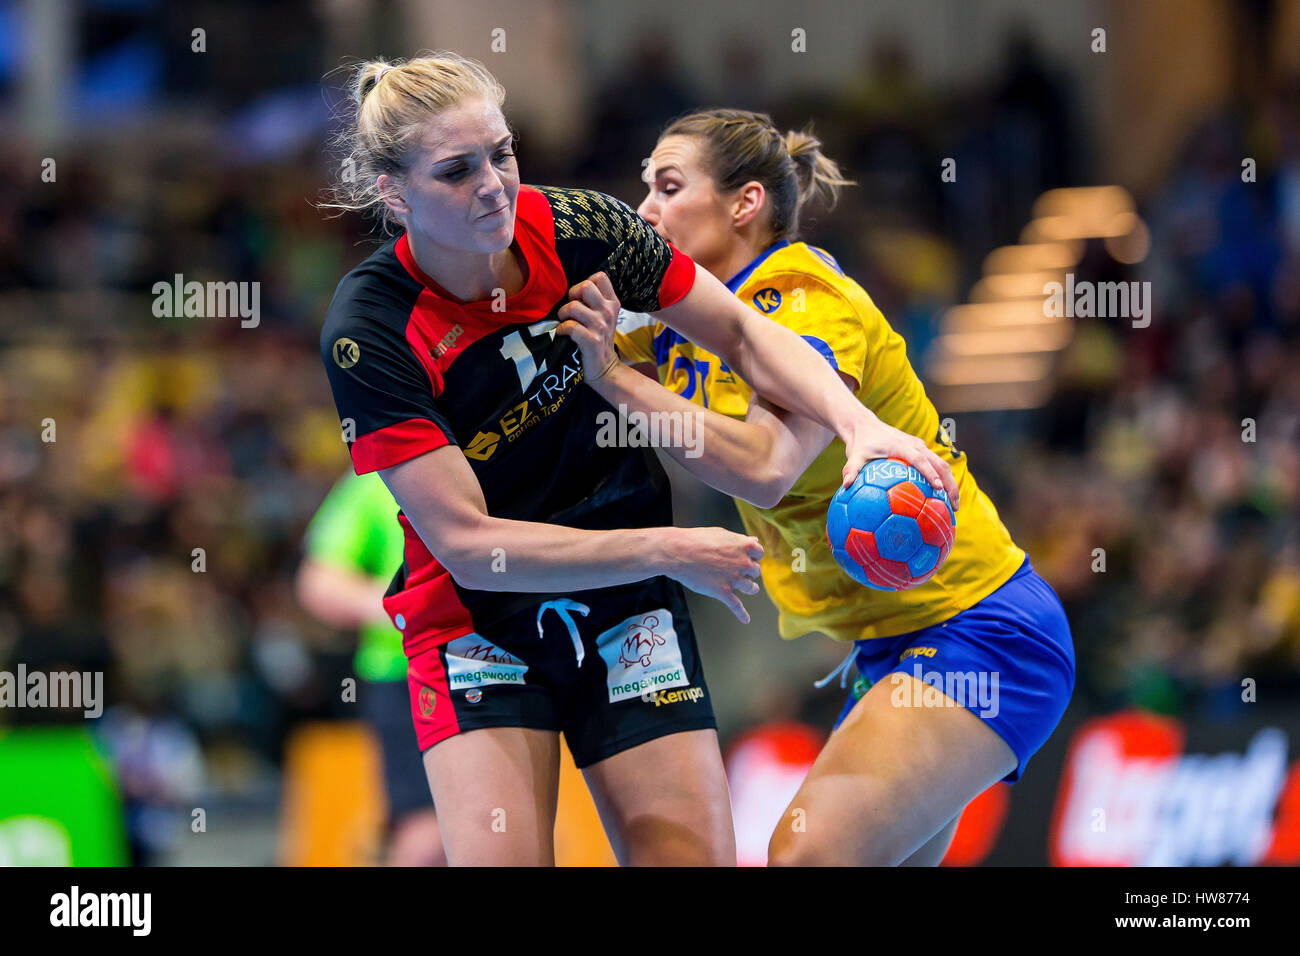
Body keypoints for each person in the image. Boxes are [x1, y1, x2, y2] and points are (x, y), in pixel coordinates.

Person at [317, 53, 953, 866]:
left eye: (503, 153)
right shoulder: (367, 330)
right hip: (479, 622)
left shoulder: (580, 227)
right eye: (455, 170)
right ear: (393, 193)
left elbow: (745, 333)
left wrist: (859, 426)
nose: (493, 185)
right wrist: (667, 548)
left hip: (628, 604)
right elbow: (474, 548)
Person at [584, 108, 1075, 865]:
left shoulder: (800, 298)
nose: (646, 209)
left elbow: (767, 467)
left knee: (803, 856)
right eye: (645, 187)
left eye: (669, 186)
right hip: (891, 647)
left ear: (744, 203)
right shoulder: (686, 322)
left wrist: (614, 380)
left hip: (979, 631)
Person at [296, 469, 446, 866]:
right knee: (426, 836)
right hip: (408, 674)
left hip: (506, 665)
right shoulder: (376, 477)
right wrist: (405, 609)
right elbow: (319, 581)